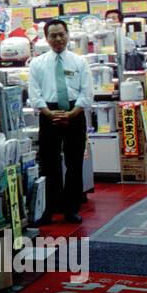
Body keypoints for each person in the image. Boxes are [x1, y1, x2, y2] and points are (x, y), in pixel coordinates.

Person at [27, 19, 94, 225]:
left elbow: (87, 91)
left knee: (74, 163)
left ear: (67, 35)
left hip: (75, 114)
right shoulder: (37, 63)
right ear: (46, 39)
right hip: (48, 114)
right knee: (49, 164)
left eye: (61, 34)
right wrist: (49, 112)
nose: (58, 39)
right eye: (53, 35)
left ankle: (71, 209)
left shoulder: (79, 62)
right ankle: (48, 210)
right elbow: (34, 93)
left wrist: (73, 113)